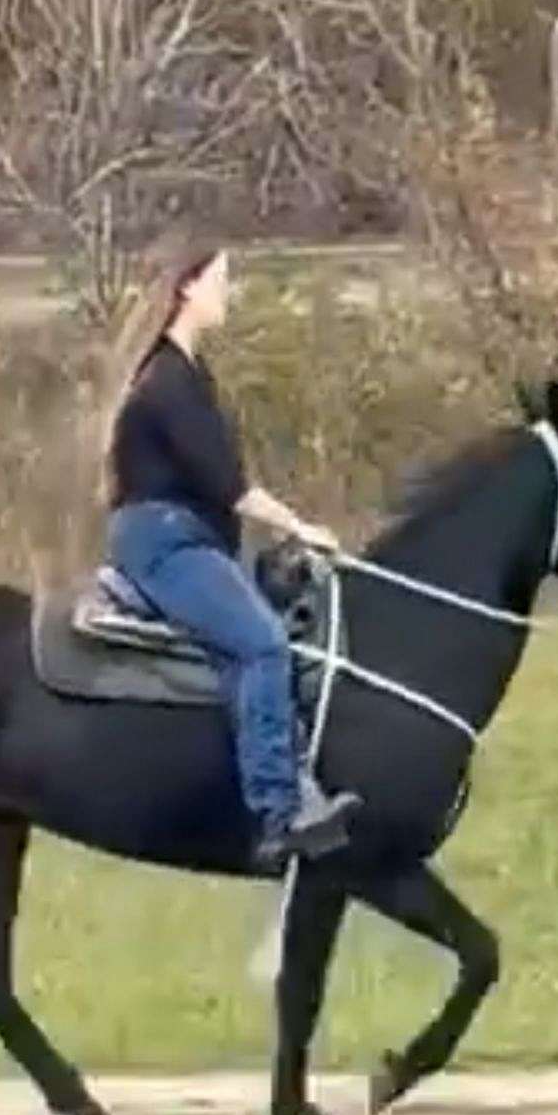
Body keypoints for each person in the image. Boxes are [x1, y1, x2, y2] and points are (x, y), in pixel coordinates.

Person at [101, 237, 357, 878]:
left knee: (253, 645)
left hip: (185, 535)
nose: (227, 293)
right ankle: (279, 814)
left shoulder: (187, 374)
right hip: (167, 540)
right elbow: (229, 484)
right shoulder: (170, 383)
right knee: (265, 645)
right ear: (186, 288)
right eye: (220, 280)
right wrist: (303, 527)